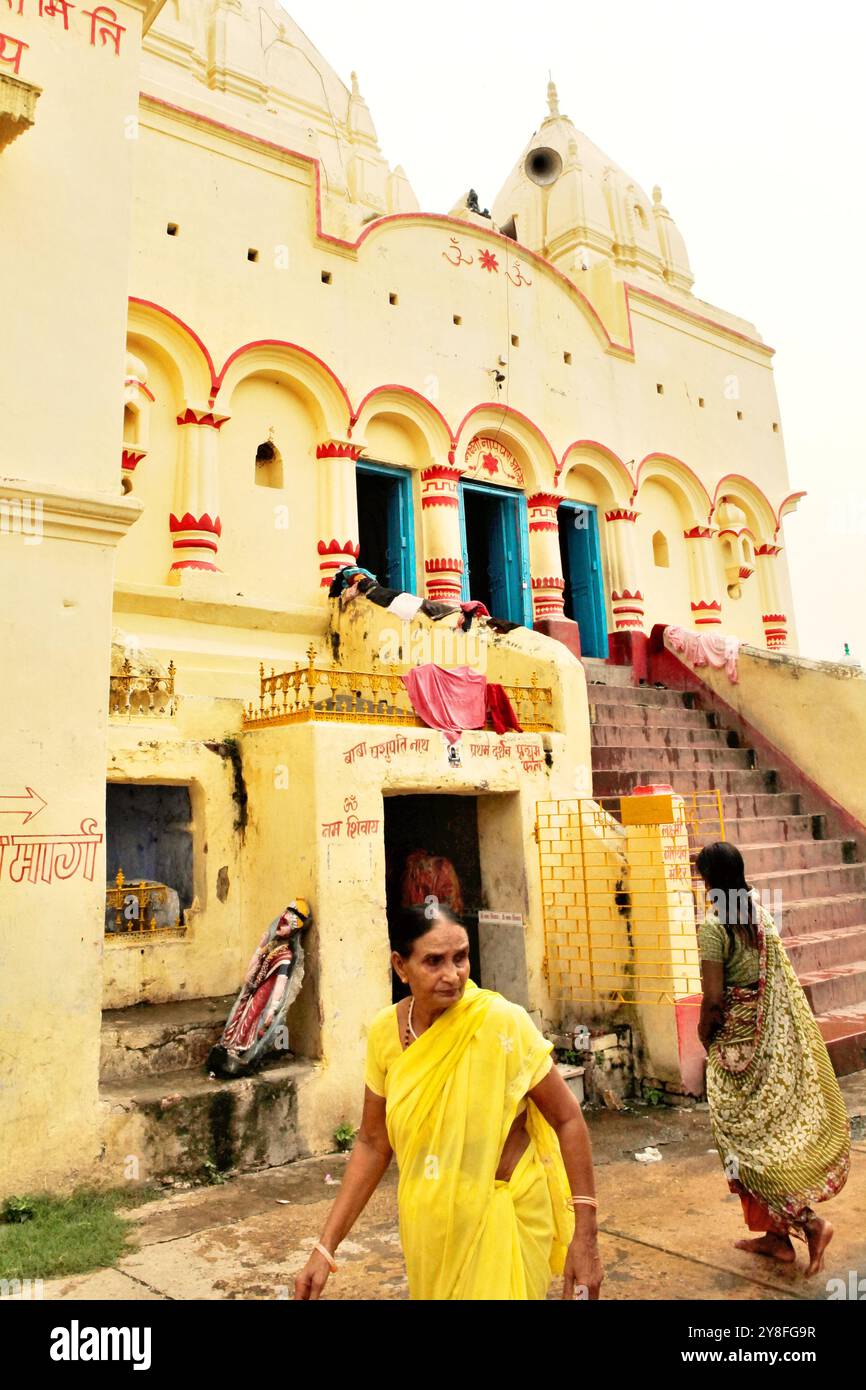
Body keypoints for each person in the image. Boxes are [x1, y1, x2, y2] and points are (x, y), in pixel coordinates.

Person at [294, 903, 603, 1301]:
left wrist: (586, 1234)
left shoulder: (500, 1022)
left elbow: (567, 1118)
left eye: (461, 957)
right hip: (430, 1231)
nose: (452, 975)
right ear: (400, 966)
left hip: (502, 1218)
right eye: (434, 961)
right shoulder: (385, 1034)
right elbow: (373, 1143)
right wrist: (325, 1247)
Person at [696, 841, 850, 1275]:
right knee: (760, 1141)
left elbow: (712, 999)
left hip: (735, 1051)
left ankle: (810, 1223)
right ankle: (776, 1239)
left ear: (708, 879)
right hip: (769, 1048)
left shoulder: (713, 927)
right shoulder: (759, 916)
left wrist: (703, 1036)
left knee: (739, 1145)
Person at [207, 899, 311, 1078]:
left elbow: (281, 983)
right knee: (240, 1015)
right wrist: (260, 947)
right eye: (281, 921)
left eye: (285, 924)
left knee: (250, 1019)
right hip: (255, 989)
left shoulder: (286, 955)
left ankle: (238, 1050)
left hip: (264, 994)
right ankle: (228, 1045)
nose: (280, 925)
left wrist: (272, 1009)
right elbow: (249, 974)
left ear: (293, 929)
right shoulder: (272, 947)